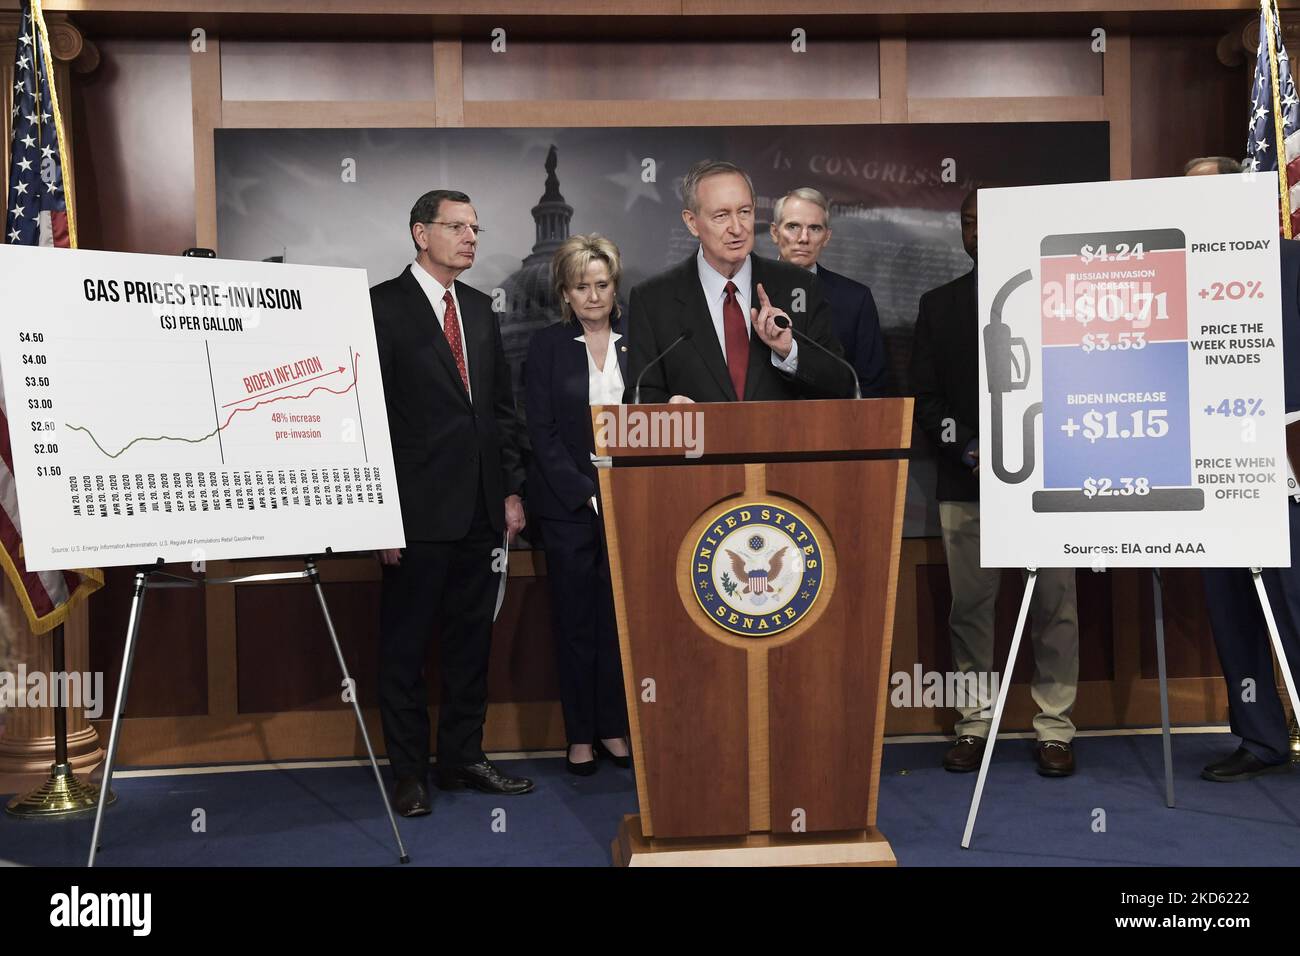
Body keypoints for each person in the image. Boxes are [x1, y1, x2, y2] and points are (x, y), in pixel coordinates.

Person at [910, 189, 1081, 777]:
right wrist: (967, 448)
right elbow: (926, 399)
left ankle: (1055, 729)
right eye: (967, 222)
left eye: (986, 220)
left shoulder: (1053, 299)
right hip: (968, 484)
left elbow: (1077, 384)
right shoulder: (939, 305)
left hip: (1045, 485)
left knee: (1056, 608)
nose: (976, 230)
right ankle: (974, 724)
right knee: (971, 611)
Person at [371, 188, 532, 817]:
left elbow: (499, 411)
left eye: (475, 227)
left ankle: (464, 758)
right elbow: (369, 419)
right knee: (406, 649)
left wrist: (512, 489)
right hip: (412, 516)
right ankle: (409, 773)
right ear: (420, 232)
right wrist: (378, 512)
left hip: (481, 512)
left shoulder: (480, 308)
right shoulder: (381, 307)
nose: (470, 237)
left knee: (471, 645)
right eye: (457, 226)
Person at [1191, 154, 1300, 780]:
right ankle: (1261, 738)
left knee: (1295, 603)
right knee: (1231, 610)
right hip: (1210, 472)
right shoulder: (1170, 275)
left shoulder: (1290, 265)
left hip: (1286, 473)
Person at [524, 234, 632, 776]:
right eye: (582, 287)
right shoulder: (547, 346)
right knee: (575, 623)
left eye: (602, 285)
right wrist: (585, 491)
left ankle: (614, 728)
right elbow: (539, 432)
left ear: (614, 287)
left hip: (632, 505)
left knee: (619, 624)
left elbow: (654, 418)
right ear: (565, 294)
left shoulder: (638, 341)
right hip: (569, 507)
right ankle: (580, 737)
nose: (593, 296)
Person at [624, 159, 856, 404]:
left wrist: (790, 352)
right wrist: (668, 410)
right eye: (722, 215)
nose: (737, 228)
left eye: (745, 212)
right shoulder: (653, 299)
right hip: (697, 441)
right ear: (692, 223)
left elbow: (841, 383)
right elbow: (639, 395)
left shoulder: (799, 286)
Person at [770, 186, 892, 396]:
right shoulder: (746, 289)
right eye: (793, 226)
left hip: (833, 424)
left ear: (826, 237)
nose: (803, 238)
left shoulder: (855, 299)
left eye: (815, 229)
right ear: (774, 232)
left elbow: (870, 385)